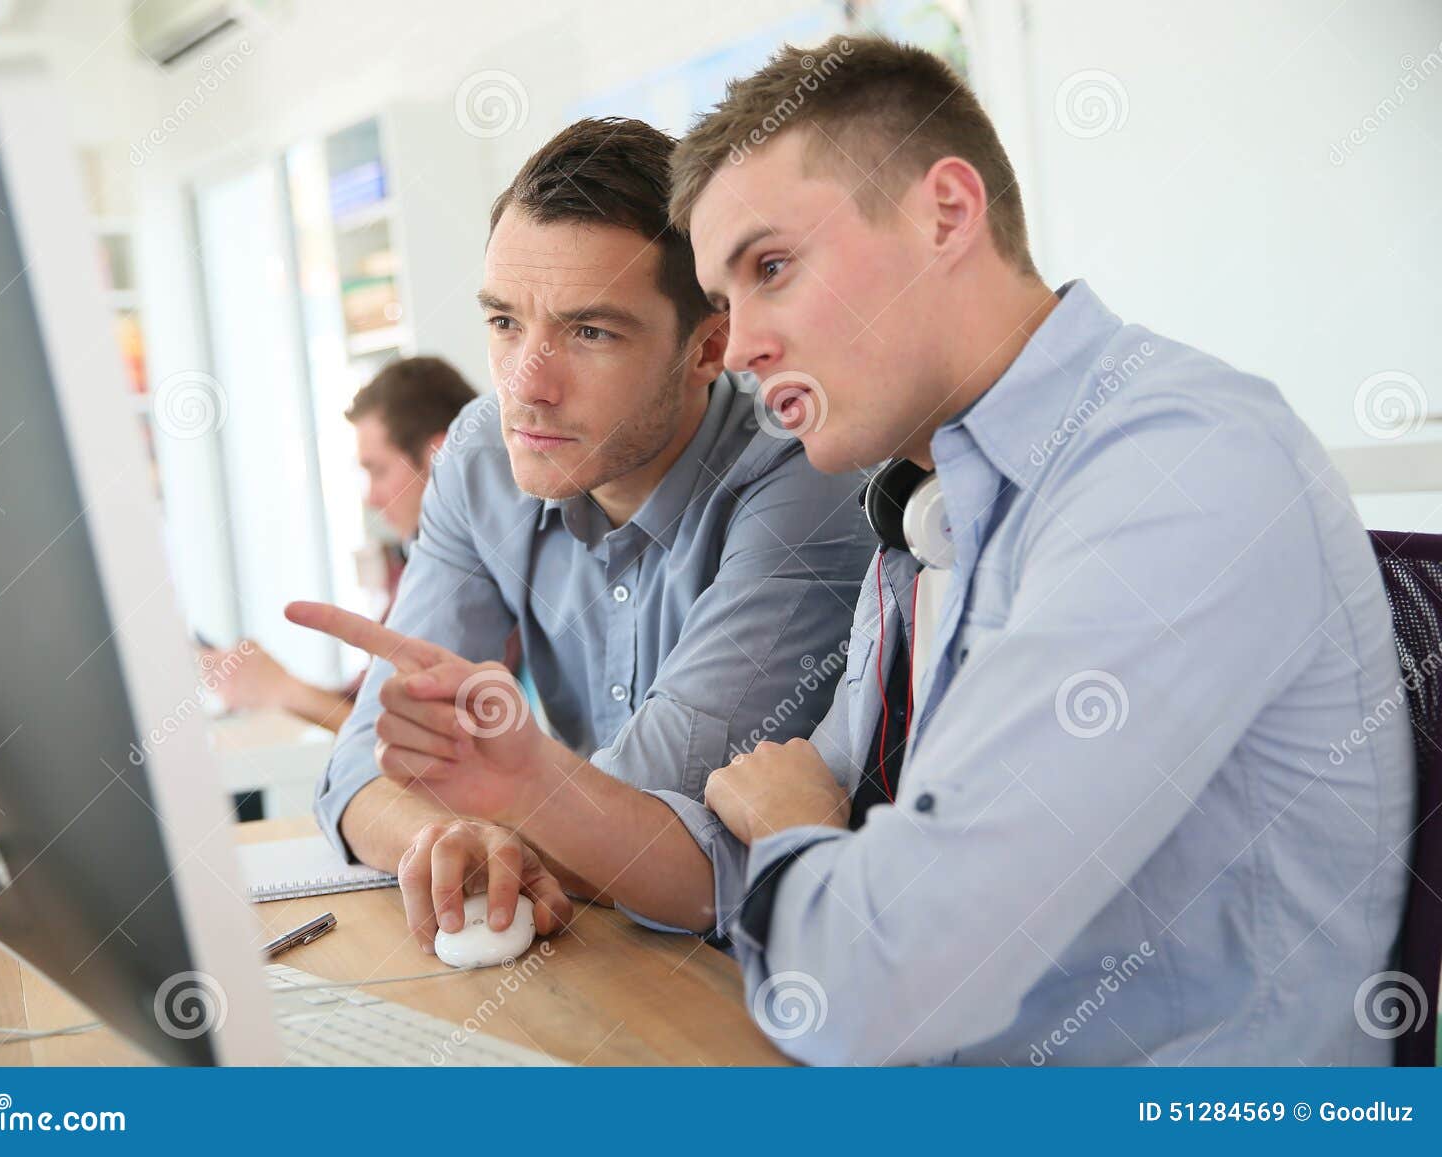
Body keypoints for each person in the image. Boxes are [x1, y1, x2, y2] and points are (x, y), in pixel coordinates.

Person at [341, 37, 1415, 1066]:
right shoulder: (932, 500)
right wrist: (535, 782)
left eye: (773, 268)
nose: (745, 348)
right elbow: (728, 858)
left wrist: (801, 830)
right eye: (726, 296)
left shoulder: (1177, 469)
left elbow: (876, 976)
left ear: (946, 212)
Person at [287, 116, 876, 936]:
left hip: (754, 980)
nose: (527, 385)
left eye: (590, 331)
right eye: (503, 323)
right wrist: (443, 839)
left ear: (710, 349)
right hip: (605, 956)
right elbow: (359, 774)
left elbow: (647, 818)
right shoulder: (482, 454)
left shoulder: (806, 474)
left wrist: (491, 831)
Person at [201, 356, 476, 733]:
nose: (372, 498)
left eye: (377, 470)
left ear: (439, 457)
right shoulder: (417, 568)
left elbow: (422, 741)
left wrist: (284, 690)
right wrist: (269, 685)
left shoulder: (474, 579)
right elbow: (364, 704)